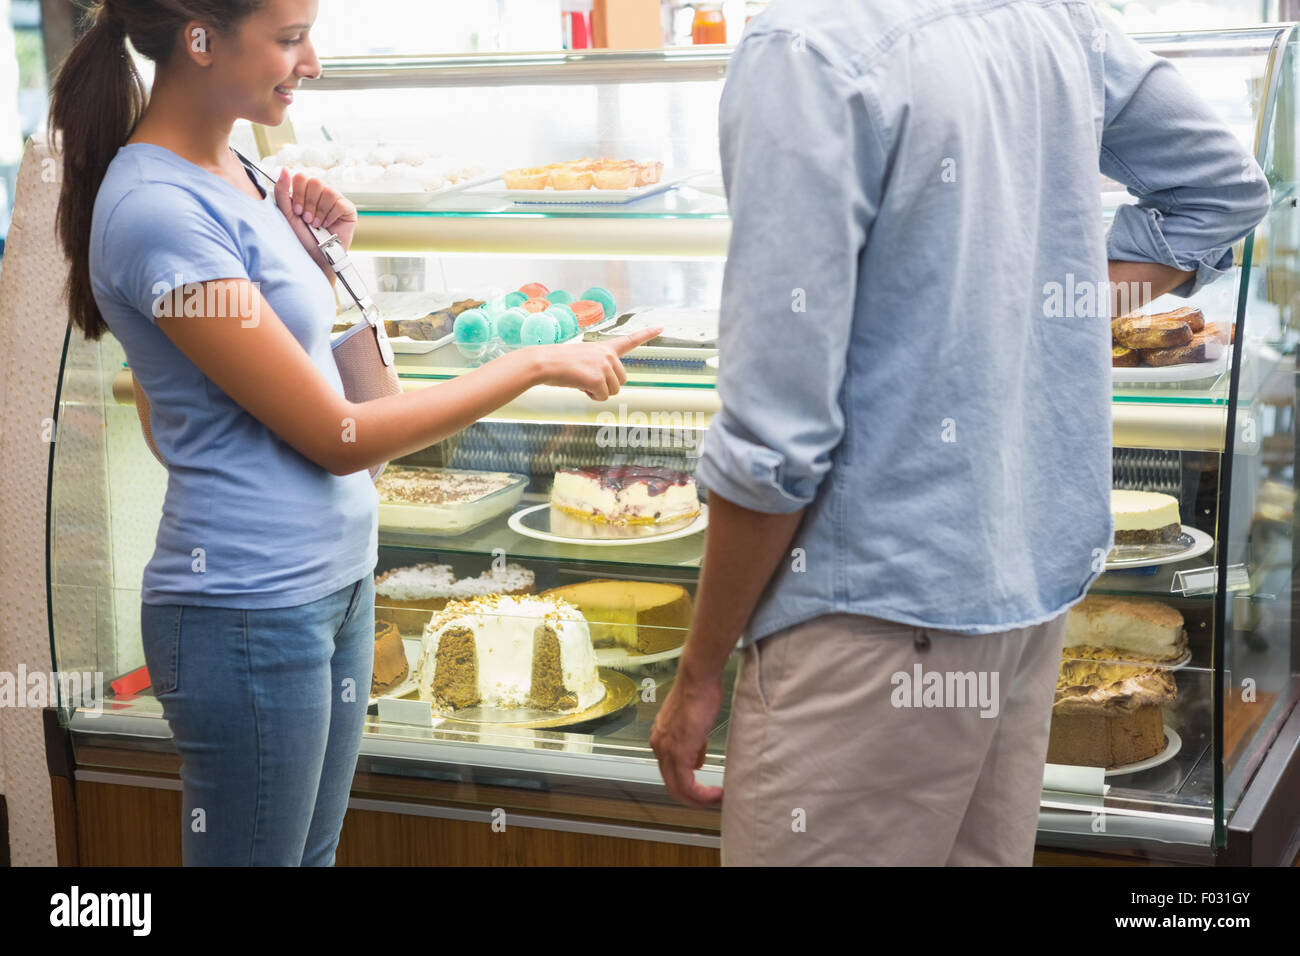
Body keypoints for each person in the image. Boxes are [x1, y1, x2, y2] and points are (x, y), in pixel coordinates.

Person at [650, 0, 1269, 865]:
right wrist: (1051, 300)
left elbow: (774, 444)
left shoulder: (804, 45)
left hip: (867, 614)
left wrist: (698, 670)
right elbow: (1225, 189)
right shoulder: (1052, 16)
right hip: (1028, 597)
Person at [48, 0, 658, 866]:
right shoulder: (157, 212)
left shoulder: (246, 174)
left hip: (331, 586)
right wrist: (533, 364)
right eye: (290, 40)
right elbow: (339, 436)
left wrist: (331, 260)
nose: (314, 64)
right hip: (249, 609)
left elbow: (359, 409)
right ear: (200, 40)